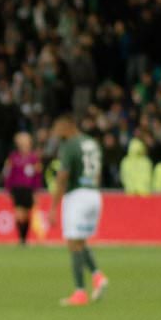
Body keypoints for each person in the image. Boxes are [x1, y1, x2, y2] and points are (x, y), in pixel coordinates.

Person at [49, 116, 108, 306]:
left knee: (73, 243)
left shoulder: (69, 145)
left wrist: (53, 206)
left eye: (58, 127)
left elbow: (63, 175)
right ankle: (97, 276)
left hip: (77, 196)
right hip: (94, 194)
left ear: (67, 126)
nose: (56, 132)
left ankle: (80, 292)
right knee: (80, 241)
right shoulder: (91, 143)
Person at [1, 131, 41, 245]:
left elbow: (37, 176)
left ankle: (25, 238)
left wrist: (36, 191)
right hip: (17, 189)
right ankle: (21, 238)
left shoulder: (34, 158)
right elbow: (8, 174)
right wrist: (8, 189)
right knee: (19, 214)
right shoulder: (13, 157)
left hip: (29, 189)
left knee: (27, 214)